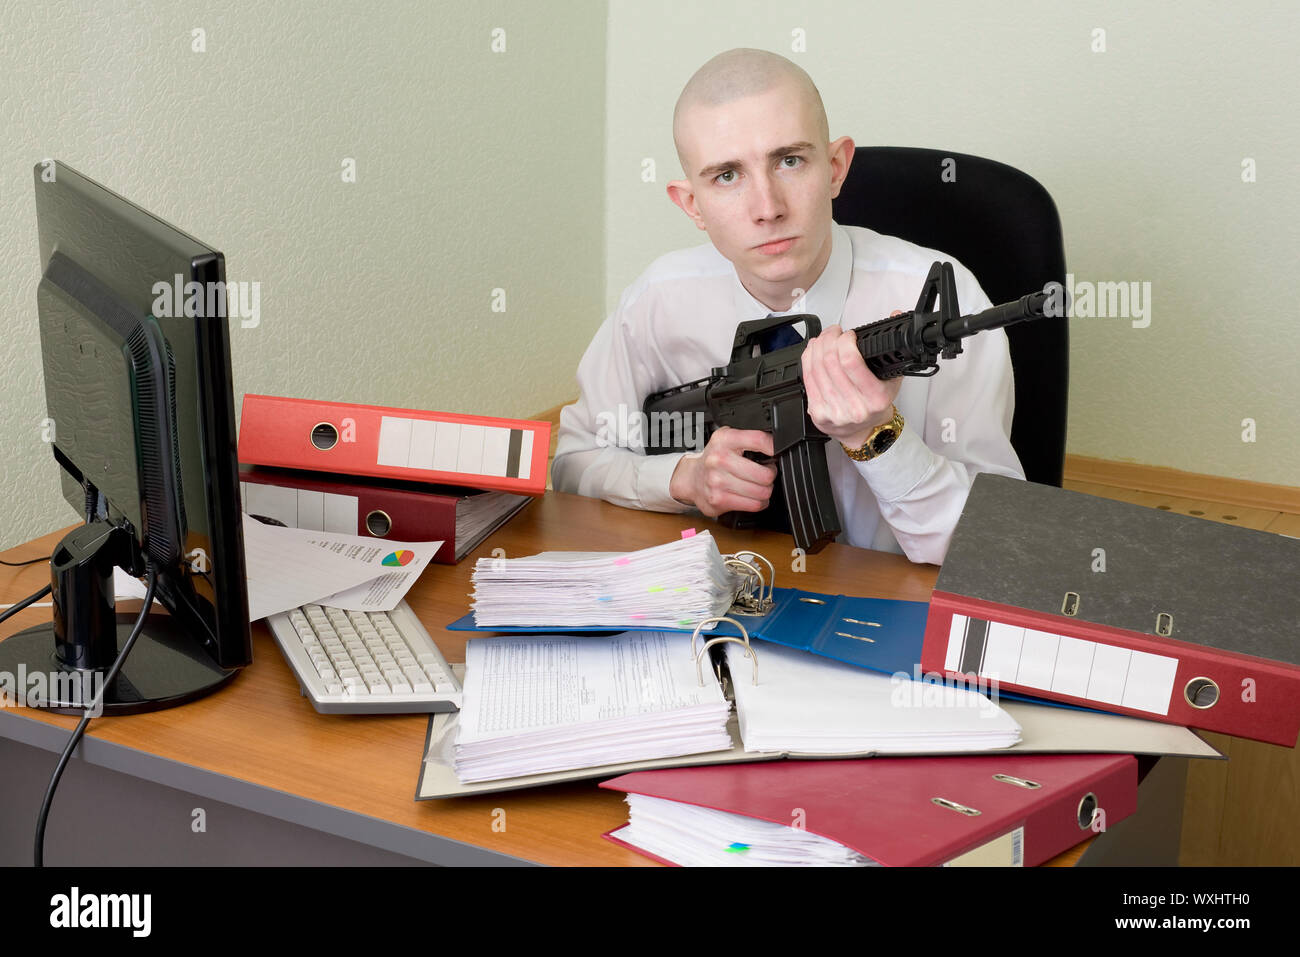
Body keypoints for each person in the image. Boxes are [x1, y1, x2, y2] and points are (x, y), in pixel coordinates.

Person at [551, 49, 1023, 564]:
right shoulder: (658, 301)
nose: (768, 208)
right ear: (692, 205)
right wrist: (683, 479)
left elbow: (996, 544)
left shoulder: (935, 302)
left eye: (789, 161)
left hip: (886, 607)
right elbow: (574, 463)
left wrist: (876, 436)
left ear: (837, 167)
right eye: (727, 176)